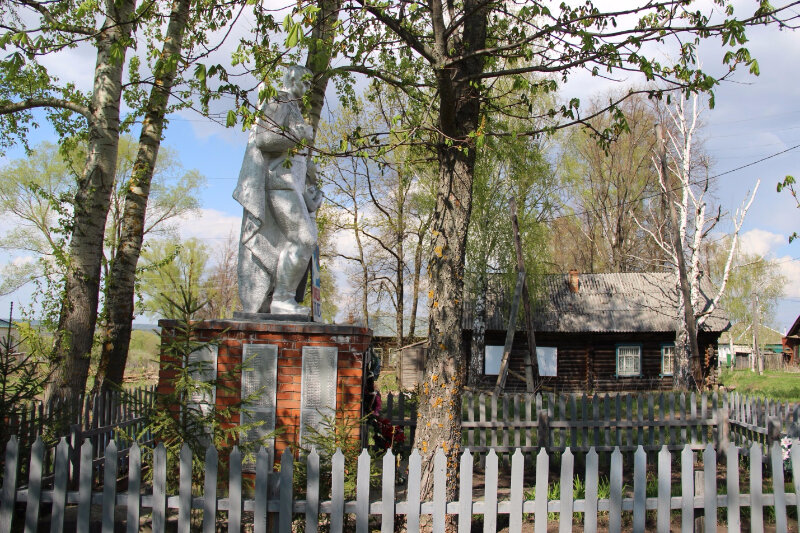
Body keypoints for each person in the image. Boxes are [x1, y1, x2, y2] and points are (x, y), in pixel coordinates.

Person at [233, 65, 323, 314]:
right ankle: (282, 299)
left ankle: (280, 296)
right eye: (303, 83)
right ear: (291, 78)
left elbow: (291, 161)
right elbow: (264, 139)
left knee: (300, 241)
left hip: (288, 186)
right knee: (304, 239)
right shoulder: (278, 99)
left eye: (309, 85)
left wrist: (306, 197)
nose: (306, 89)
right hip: (277, 184)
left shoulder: (292, 106)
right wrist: (299, 135)